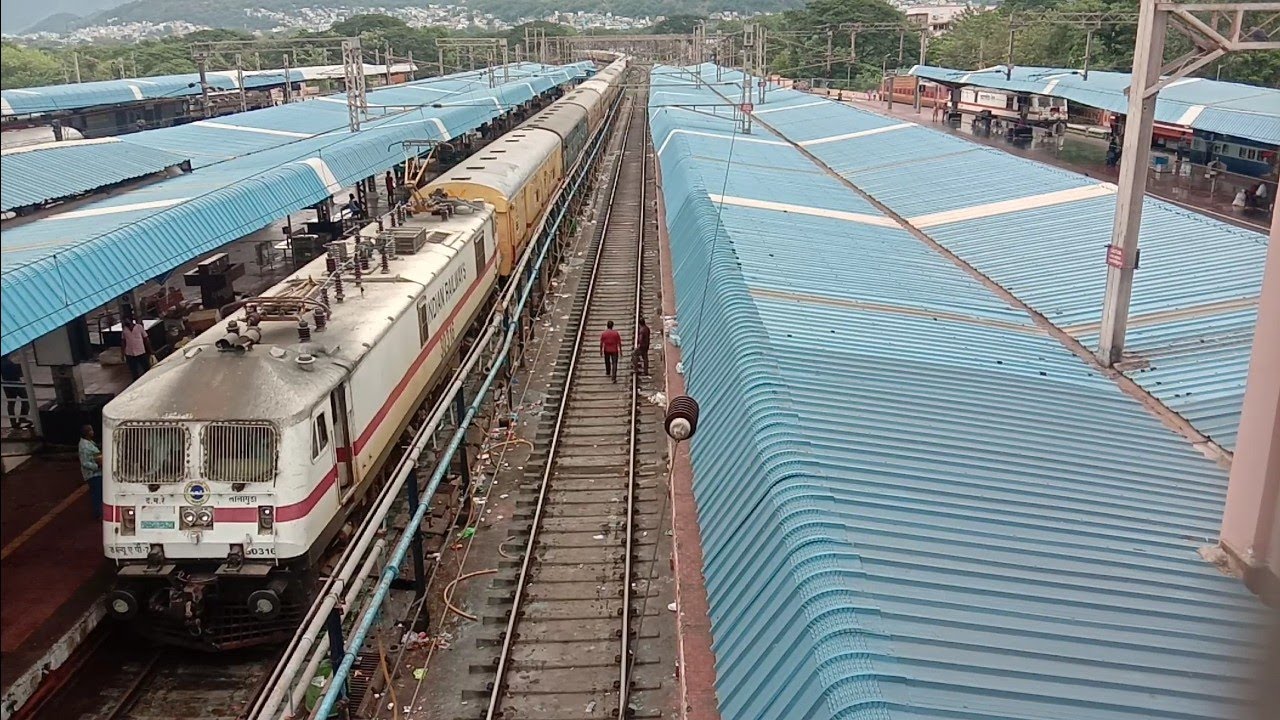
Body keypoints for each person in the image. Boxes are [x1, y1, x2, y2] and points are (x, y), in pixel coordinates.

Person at [79, 425, 103, 521]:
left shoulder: (90, 442)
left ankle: (99, 512)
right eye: (91, 430)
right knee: (97, 494)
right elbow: (84, 463)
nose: (93, 432)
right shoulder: (84, 446)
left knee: (99, 493)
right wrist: (97, 466)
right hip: (93, 474)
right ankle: (98, 513)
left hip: (97, 473)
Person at [120, 316, 153, 382]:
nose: (125, 322)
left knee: (146, 368)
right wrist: (122, 354)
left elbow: (146, 339)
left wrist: (150, 350)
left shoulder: (139, 327)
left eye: (126, 321)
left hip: (141, 351)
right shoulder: (124, 330)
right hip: (130, 353)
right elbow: (123, 342)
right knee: (133, 371)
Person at [1, 355, 30, 430]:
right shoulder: (8, 363)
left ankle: (13, 422)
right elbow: (18, 373)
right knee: (26, 400)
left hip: (7, 384)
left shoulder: (3, 363)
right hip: (16, 383)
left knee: (11, 403)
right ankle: (22, 417)